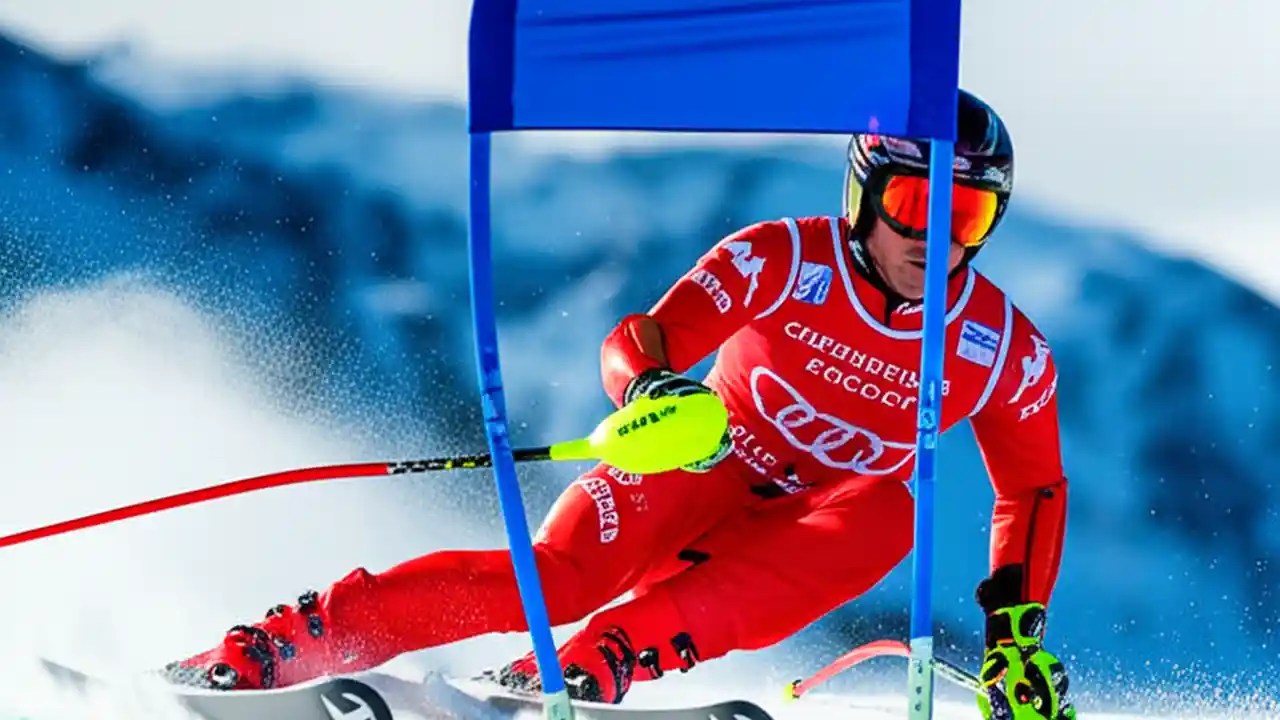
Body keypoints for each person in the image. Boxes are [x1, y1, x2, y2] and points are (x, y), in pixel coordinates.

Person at [165, 89, 1075, 719]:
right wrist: (651, 387)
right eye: (916, 203)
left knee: (888, 511)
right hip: (696, 465)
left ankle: (588, 668)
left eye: (964, 218)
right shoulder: (786, 259)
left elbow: (1032, 491)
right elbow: (646, 335)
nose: (933, 238)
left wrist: (1016, 632)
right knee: (560, 578)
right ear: (863, 193)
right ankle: (283, 645)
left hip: (801, 527)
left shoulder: (1001, 348)